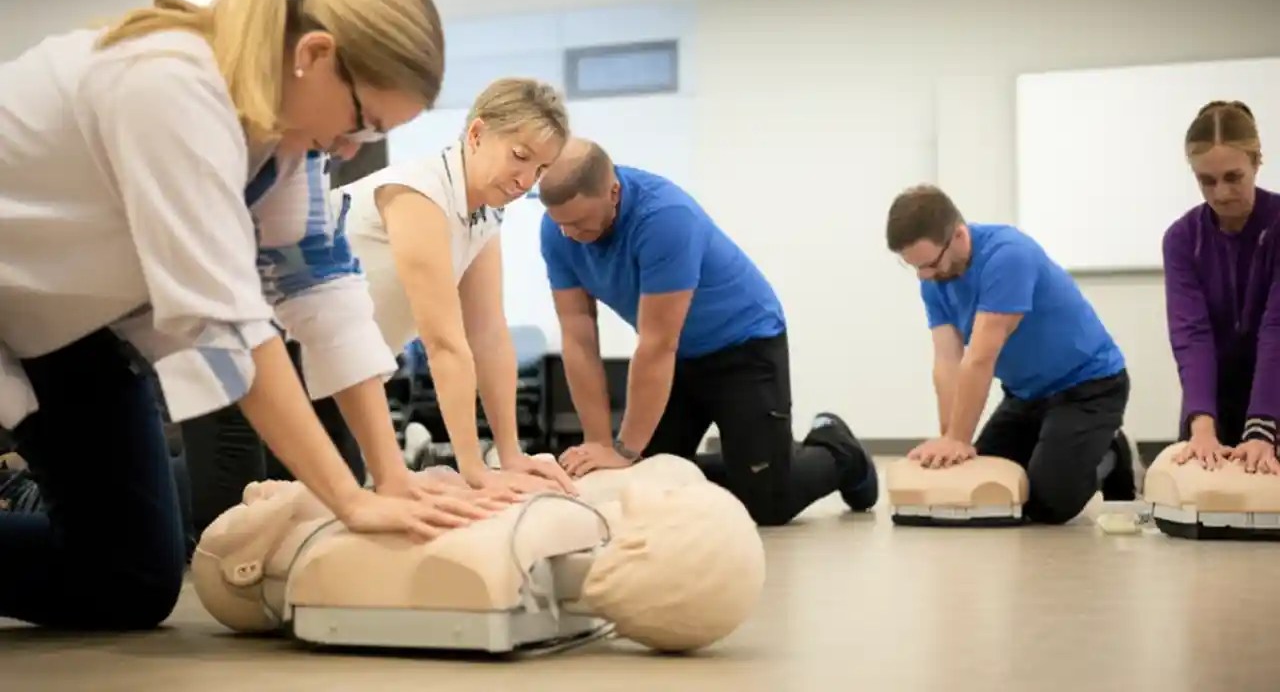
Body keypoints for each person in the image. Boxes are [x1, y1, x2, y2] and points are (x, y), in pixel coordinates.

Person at [0, 0, 495, 631]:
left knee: (129, 581)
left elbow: (327, 295)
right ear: (314, 55)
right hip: (25, 292)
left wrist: (391, 477)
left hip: (64, 321)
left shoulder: (284, 145)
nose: (350, 149)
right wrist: (349, 500)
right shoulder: (168, 82)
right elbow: (228, 324)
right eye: (360, 122)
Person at [535, 138, 878, 527]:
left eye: (580, 222)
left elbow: (657, 343)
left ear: (613, 192)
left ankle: (838, 448)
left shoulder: (665, 218)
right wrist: (599, 443)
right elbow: (579, 337)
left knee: (767, 502)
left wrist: (624, 448)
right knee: (645, 484)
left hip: (744, 346)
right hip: (680, 358)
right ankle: (750, 464)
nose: (570, 234)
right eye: (561, 223)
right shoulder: (558, 230)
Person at [341, 77, 577, 496]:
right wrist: (473, 470)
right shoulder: (419, 195)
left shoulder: (484, 214)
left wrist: (510, 456)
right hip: (268, 358)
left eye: (540, 169)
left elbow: (487, 334)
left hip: (344, 379)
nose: (526, 180)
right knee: (243, 522)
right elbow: (444, 342)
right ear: (476, 133)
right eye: (519, 157)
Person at [886, 184, 1135, 524]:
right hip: (1026, 395)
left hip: (1088, 387)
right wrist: (949, 441)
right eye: (913, 267)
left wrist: (960, 438)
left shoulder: (1008, 256)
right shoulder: (933, 280)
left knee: (1049, 504)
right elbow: (947, 361)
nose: (924, 275)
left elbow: (980, 357)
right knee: (993, 490)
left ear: (958, 236)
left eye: (929, 263)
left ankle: (1112, 452)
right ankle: (1057, 450)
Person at [1163, 100, 1280, 475]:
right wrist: (1201, 425)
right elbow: (1191, 334)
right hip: (1213, 394)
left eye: (1234, 177)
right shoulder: (1182, 238)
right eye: (1207, 181)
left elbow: (1276, 328)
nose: (1221, 193)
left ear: (1256, 162)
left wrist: (1262, 429)